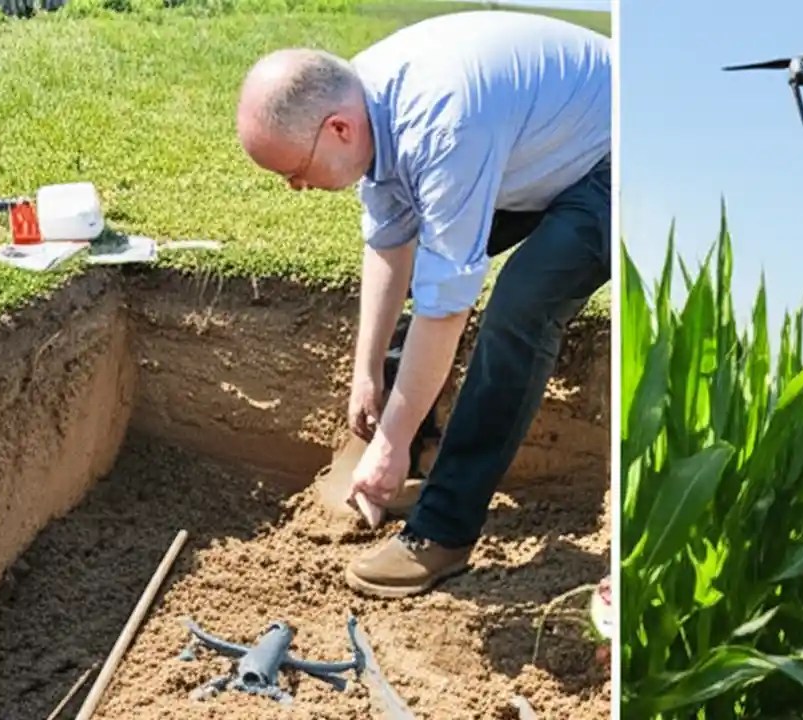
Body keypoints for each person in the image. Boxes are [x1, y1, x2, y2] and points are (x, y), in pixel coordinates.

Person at [234, 9, 611, 598]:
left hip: (620, 157)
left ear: (338, 130)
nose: (297, 187)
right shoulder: (367, 102)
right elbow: (392, 244)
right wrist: (366, 375)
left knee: (520, 310)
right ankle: (402, 460)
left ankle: (443, 529)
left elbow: (446, 307)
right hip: (538, 149)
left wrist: (387, 442)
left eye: (296, 171)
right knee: (423, 268)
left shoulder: (440, 127)